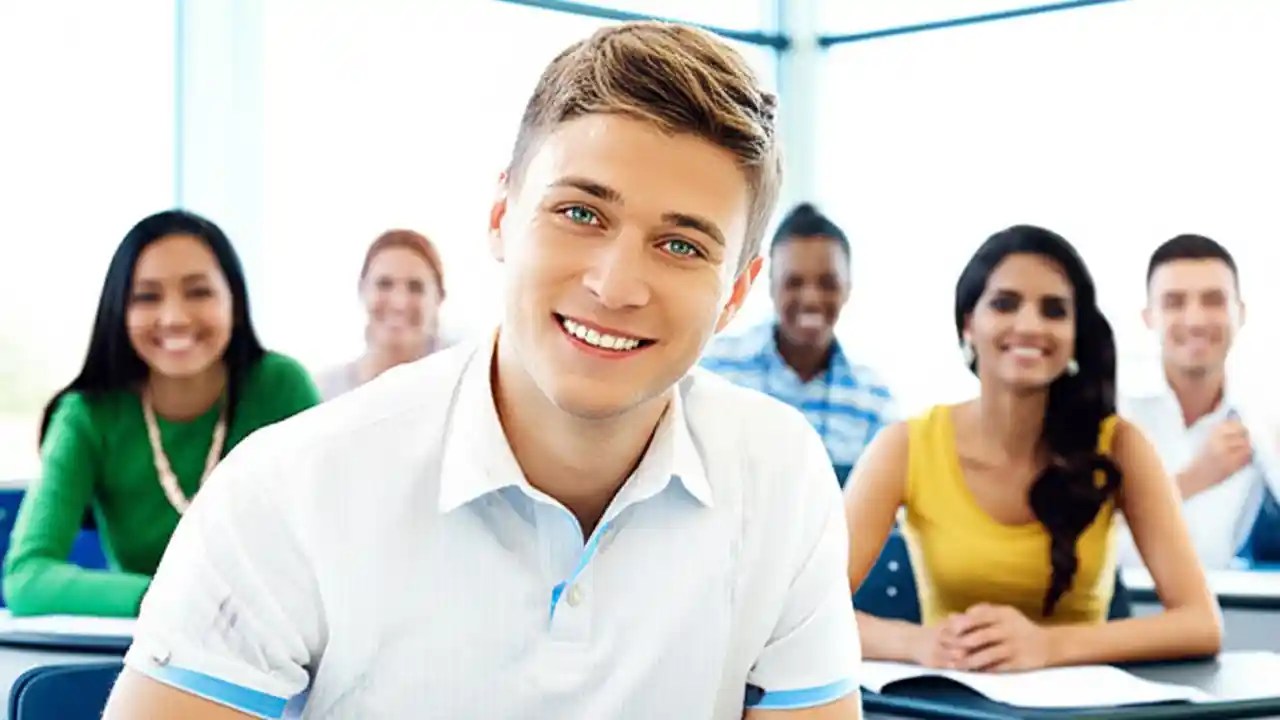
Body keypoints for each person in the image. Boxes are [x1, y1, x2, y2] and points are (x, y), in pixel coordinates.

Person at [105, 22, 861, 720]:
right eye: (580, 213)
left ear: (734, 293)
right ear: (501, 217)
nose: (616, 284)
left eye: (682, 246)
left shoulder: (781, 475)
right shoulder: (291, 486)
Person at [844, 225, 1220, 671]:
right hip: (953, 701)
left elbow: (1200, 623)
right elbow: (806, 613)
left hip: (1080, 709)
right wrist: (917, 643)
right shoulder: (905, 446)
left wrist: (1047, 646)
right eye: (1005, 304)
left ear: (1075, 334)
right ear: (969, 323)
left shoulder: (1120, 445)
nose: (1029, 325)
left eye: (1054, 311)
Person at [2, 210, 320, 617]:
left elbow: (331, 547)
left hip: (277, 645)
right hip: (143, 652)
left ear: (235, 303)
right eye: (147, 296)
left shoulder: (280, 387)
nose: (174, 318)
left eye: (199, 291)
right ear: (120, 312)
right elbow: (28, 579)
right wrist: (176, 602)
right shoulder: (87, 413)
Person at [1117, 234, 1280, 569]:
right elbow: (1079, 535)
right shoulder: (1110, 409)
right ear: (1149, 317)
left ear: (1241, 313)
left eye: (1213, 301)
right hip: (1118, 611)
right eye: (1174, 302)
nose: (1195, 320)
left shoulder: (1262, 419)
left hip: (1234, 614)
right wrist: (1195, 478)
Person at [701, 203, 894, 480]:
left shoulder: (874, 402)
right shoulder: (713, 371)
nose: (812, 299)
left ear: (848, 287)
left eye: (828, 283)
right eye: (794, 282)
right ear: (770, 285)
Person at [316, 229, 448, 400]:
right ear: (362, 290)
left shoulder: (466, 391)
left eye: (415, 287)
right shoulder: (324, 395)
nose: (399, 303)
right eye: (384, 284)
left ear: (440, 297)